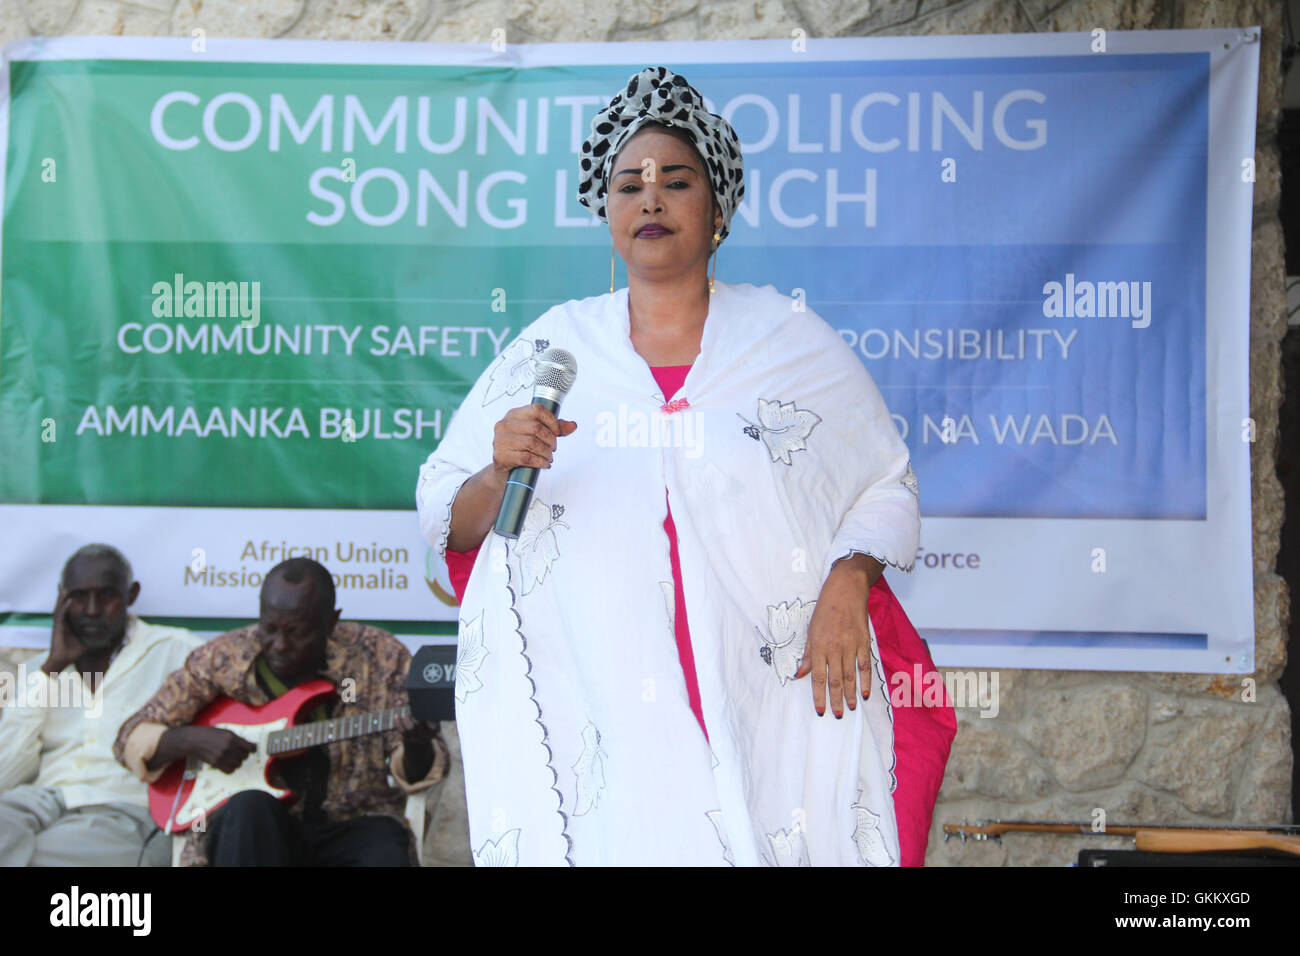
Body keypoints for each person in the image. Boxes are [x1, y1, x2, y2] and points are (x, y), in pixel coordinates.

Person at [416, 66, 954, 866]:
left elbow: (885, 481)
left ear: (717, 210)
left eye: (676, 181)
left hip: (762, 685)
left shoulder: (789, 341)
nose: (651, 200)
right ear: (608, 212)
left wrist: (850, 577)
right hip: (603, 688)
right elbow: (445, 516)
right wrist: (499, 474)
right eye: (629, 185)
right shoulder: (553, 348)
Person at [113, 557, 449, 866]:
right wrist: (192, 739)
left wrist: (417, 743)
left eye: (296, 632)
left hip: (352, 824)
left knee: (384, 846)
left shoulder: (380, 657)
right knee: (248, 808)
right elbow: (130, 738)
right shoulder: (222, 659)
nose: (279, 644)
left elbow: (418, 774)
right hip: (254, 832)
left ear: (331, 622)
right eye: (269, 628)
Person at [0, 544, 201, 866]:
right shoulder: (41, 669)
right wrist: (51, 668)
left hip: (120, 812)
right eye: (79, 597)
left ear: (131, 595)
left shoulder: (178, 654)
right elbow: (4, 776)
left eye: (106, 596)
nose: (92, 610)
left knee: (46, 854)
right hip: (37, 804)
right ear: (61, 597)